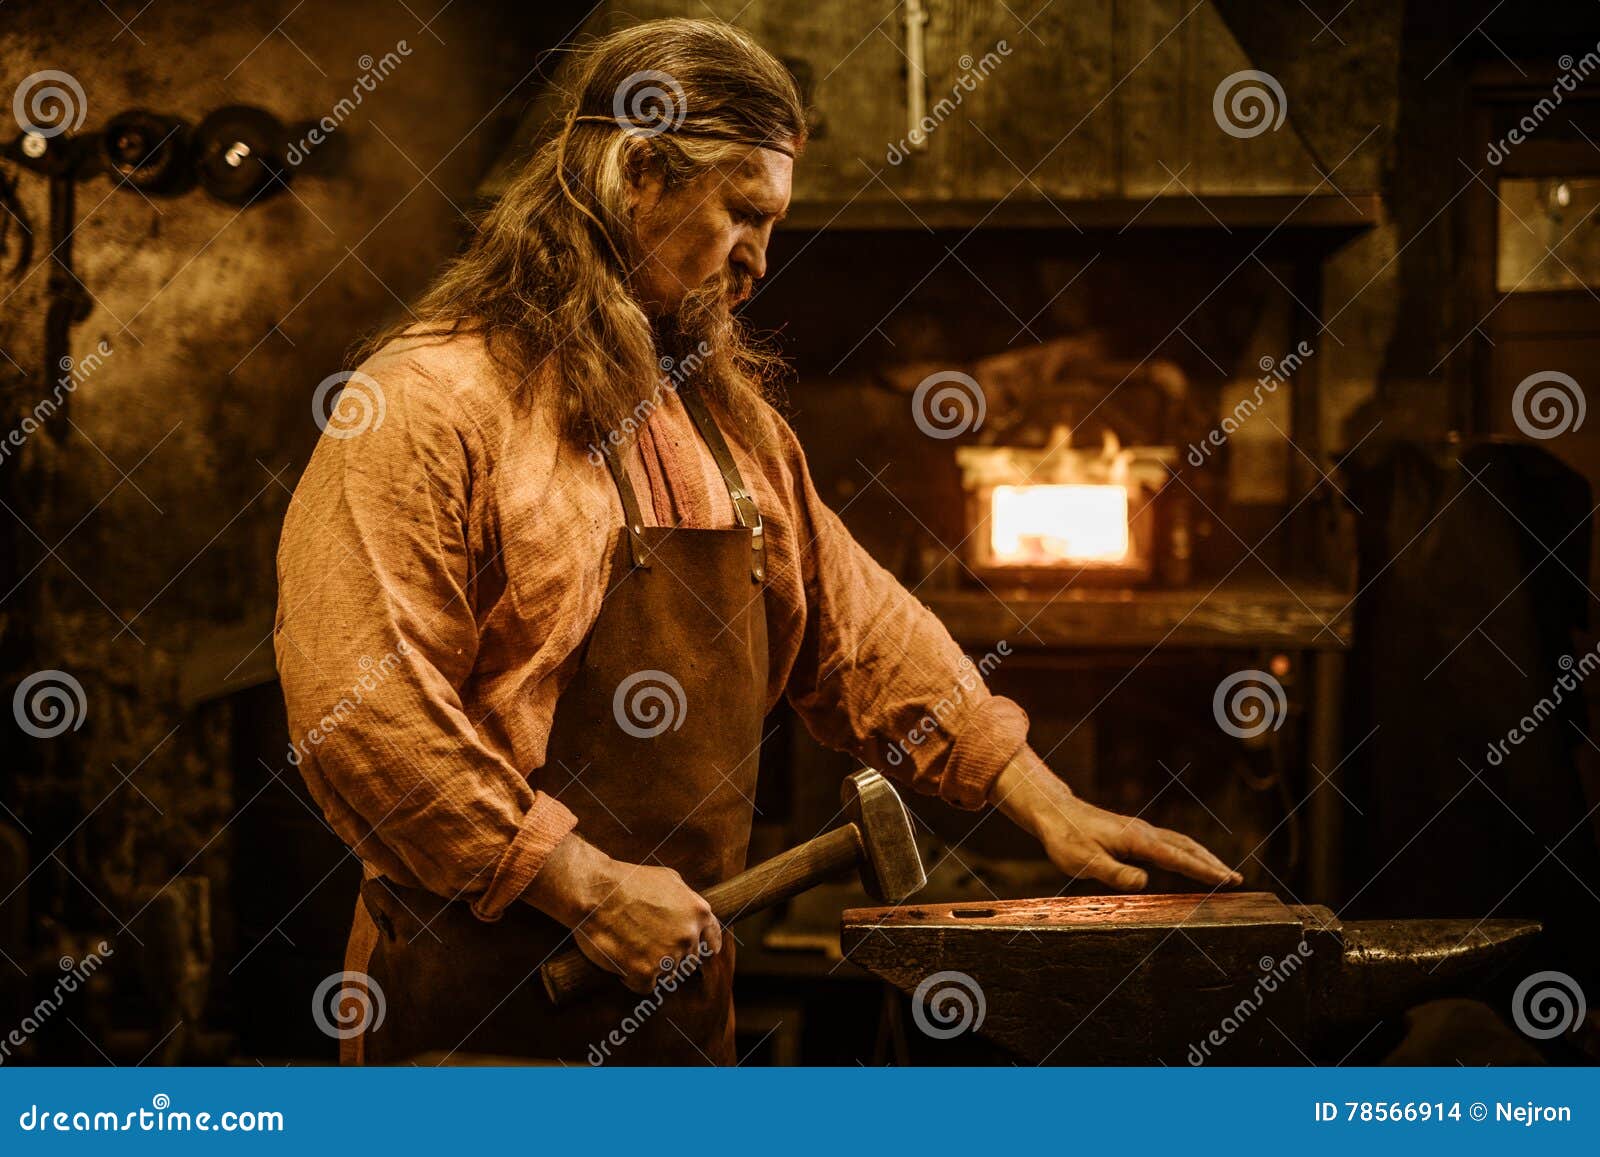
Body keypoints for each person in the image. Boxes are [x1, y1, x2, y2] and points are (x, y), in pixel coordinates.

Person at [274, 17, 1240, 1066]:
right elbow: (360, 712)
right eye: (742, 213)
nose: (758, 262)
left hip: (679, 1007)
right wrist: (584, 885)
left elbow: (858, 625)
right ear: (637, 171)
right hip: (477, 1022)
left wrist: (1046, 804)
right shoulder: (428, 404)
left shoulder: (725, 427)